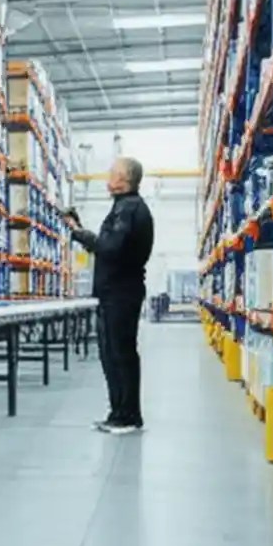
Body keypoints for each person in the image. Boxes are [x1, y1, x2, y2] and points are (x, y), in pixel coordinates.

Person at [65, 156, 154, 434]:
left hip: (121, 293)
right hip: (113, 293)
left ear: (124, 179)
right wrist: (80, 230)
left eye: (112, 173)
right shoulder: (123, 207)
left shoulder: (129, 208)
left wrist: (80, 235)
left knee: (120, 354)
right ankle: (118, 413)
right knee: (111, 354)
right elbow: (110, 244)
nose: (107, 177)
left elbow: (111, 248)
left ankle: (128, 416)